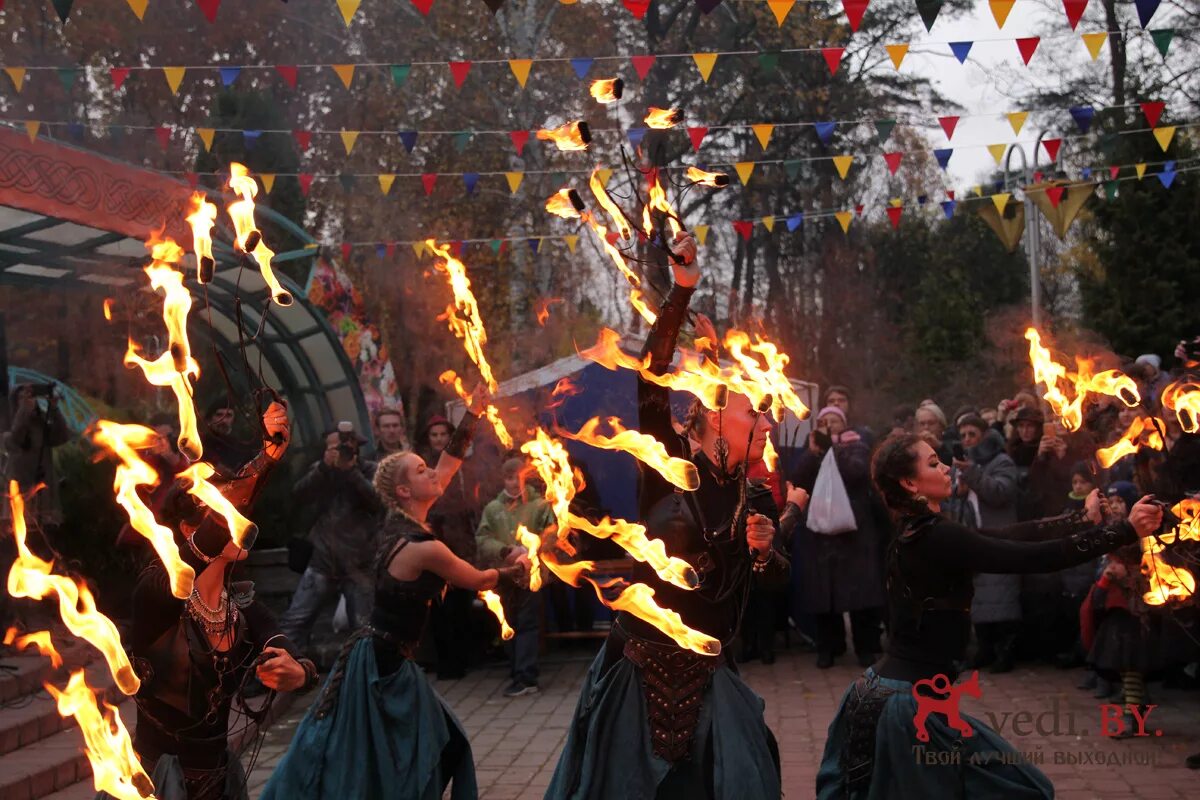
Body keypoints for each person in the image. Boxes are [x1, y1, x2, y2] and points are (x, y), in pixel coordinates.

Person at [547, 231, 790, 799]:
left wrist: (763, 554)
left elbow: (773, 581)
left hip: (712, 678)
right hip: (638, 674)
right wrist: (682, 290)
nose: (767, 424)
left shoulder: (755, 497)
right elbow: (651, 377)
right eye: (754, 413)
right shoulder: (668, 467)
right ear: (712, 418)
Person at [815, 433, 1163, 800]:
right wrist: (1125, 530)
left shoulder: (920, 529)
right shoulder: (935, 535)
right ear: (909, 483)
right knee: (1024, 790)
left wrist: (1081, 519)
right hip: (907, 707)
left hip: (888, 692)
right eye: (933, 463)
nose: (946, 468)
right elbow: (1030, 558)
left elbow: (1006, 536)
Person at [259, 401, 528, 800]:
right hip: (382, 665)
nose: (432, 472)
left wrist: (472, 414)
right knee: (423, 748)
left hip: (382, 658)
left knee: (420, 749)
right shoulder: (422, 547)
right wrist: (518, 566)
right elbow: (478, 579)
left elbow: (447, 465)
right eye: (421, 470)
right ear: (404, 491)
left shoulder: (402, 520)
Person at [111, 401, 319, 800]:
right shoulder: (157, 594)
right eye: (220, 510)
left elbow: (288, 650)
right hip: (158, 786)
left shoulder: (240, 608)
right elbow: (222, 524)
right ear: (188, 529)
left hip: (219, 784)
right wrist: (266, 459)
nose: (240, 520)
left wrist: (301, 673)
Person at [791, 405, 886, 670]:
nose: (830, 424)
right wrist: (815, 452)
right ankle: (829, 648)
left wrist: (832, 449)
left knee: (859, 596)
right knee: (824, 596)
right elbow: (799, 478)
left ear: (844, 424)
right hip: (820, 534)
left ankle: (865, 648)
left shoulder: (856, 446)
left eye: (834, 420)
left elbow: (857, 473)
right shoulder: (812, 449)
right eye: (824, 421)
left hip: (854, 532)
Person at [278, 424, 383, 656]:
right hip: (323, 560)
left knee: (364, 629)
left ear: (355, 445)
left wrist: (351, 472)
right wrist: (324, 468)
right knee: (294, 622)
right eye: (334, 447)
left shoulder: (370, 470)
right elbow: (299, 495)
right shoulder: (321, 470)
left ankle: (365, 672)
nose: (340, 451)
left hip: (359, 564)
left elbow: (377, 502)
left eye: (344, 446)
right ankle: (285, 669)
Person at [476, 456, 555, 696]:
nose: (514, 483)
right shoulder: (493, 509)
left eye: (518, 478)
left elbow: (552, 534)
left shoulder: (540, 505)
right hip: (504, 574)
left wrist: (531, 550)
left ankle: (526, 677)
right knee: (506, 621)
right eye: (509, 478)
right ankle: (515, 669)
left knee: (528, 623)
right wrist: (504, 551)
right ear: (503, 479)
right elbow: (483, 538)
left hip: (531, 574)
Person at [952, 415, 1021, 674]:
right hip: (973, 537)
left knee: (1001, 596)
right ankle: (985, 649)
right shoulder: (964, 465)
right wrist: (959, 489)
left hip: (998, 537)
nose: (967, 439)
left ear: (984, 435)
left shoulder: (1001, 461)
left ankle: (1006, 651)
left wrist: (972, 473)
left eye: (972, 434)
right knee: (979, 598)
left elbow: (1001, 492)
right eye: (963, 435)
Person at [2, 383, 70, 529]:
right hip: (20, 488)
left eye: (29, 397)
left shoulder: (42, 424)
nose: (27, 401)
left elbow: (62, 436)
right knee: (19, 531)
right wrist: (24, 411)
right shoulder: (8, 428)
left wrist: (54, 409)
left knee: (46, 532)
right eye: (21, 398)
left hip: (43, 488)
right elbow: (16, 439)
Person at [200, 400, 255, 475]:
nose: (224, 420)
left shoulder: (243, 449)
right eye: (219, 415)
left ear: (233, 419)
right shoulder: (199, 444)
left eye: (228, 415)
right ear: (209, 419)